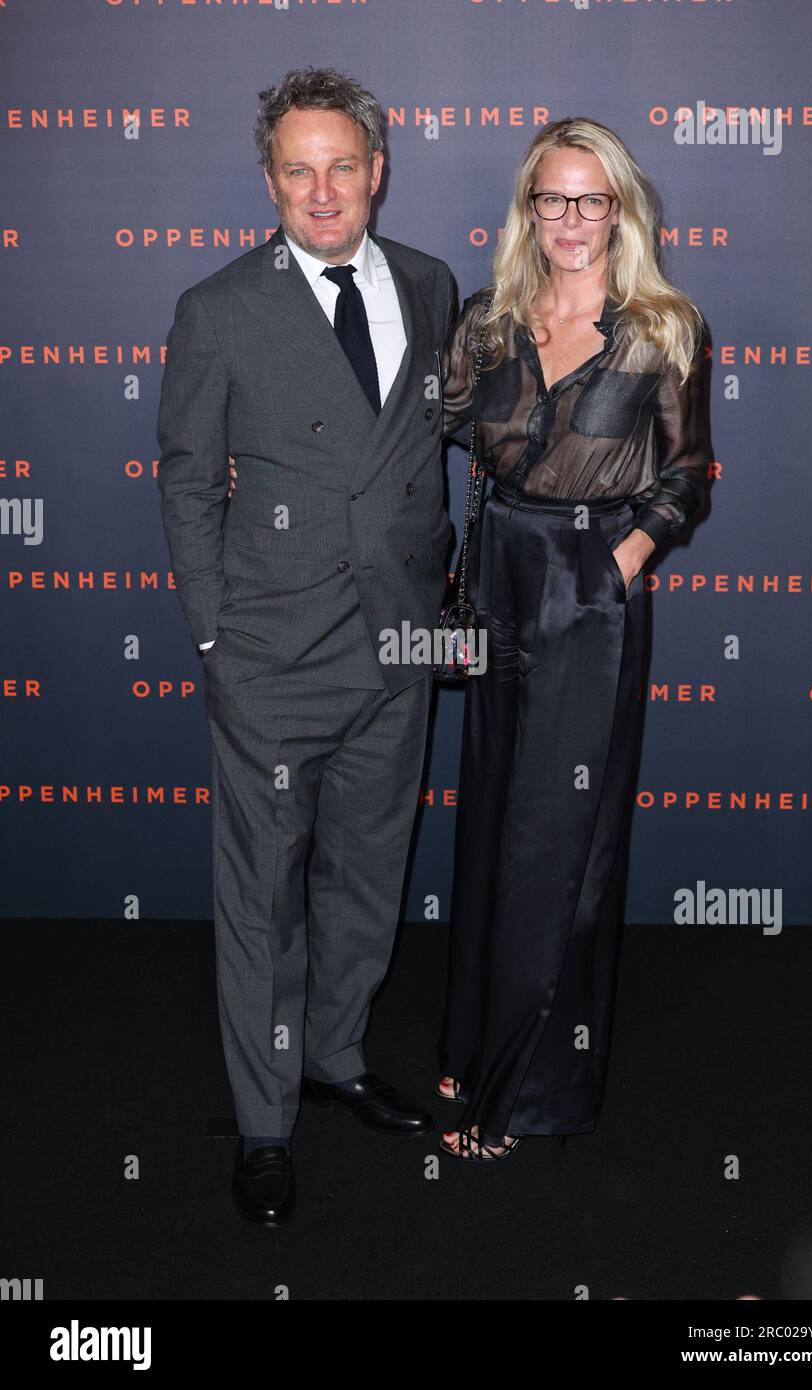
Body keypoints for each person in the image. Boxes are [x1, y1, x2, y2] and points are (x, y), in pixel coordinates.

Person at [157, 67, 457, 1224]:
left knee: (367, 876)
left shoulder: (431, 286)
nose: (322, 191)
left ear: (377, 170)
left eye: (343, 166)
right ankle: (266, 1117)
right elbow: (188, 482)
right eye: (298, 169)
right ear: (268, 179)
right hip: (273, 653)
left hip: (400, 641)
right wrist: (215, 633)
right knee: (260, 900)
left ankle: (334, 1057)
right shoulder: (219, 307)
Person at [435, 117, 713, 1161]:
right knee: (494, 815)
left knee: (558, 842)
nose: (567, 219)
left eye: (588, 199)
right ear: (527, 209)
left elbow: (684, 479)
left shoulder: (663, 330)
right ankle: (470, 1040)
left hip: (589, 590)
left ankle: (521, 1091)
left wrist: (618, 563)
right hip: (501, 575)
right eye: (549, 198)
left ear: (619, 209)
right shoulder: (487, 324)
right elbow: (413, 426)